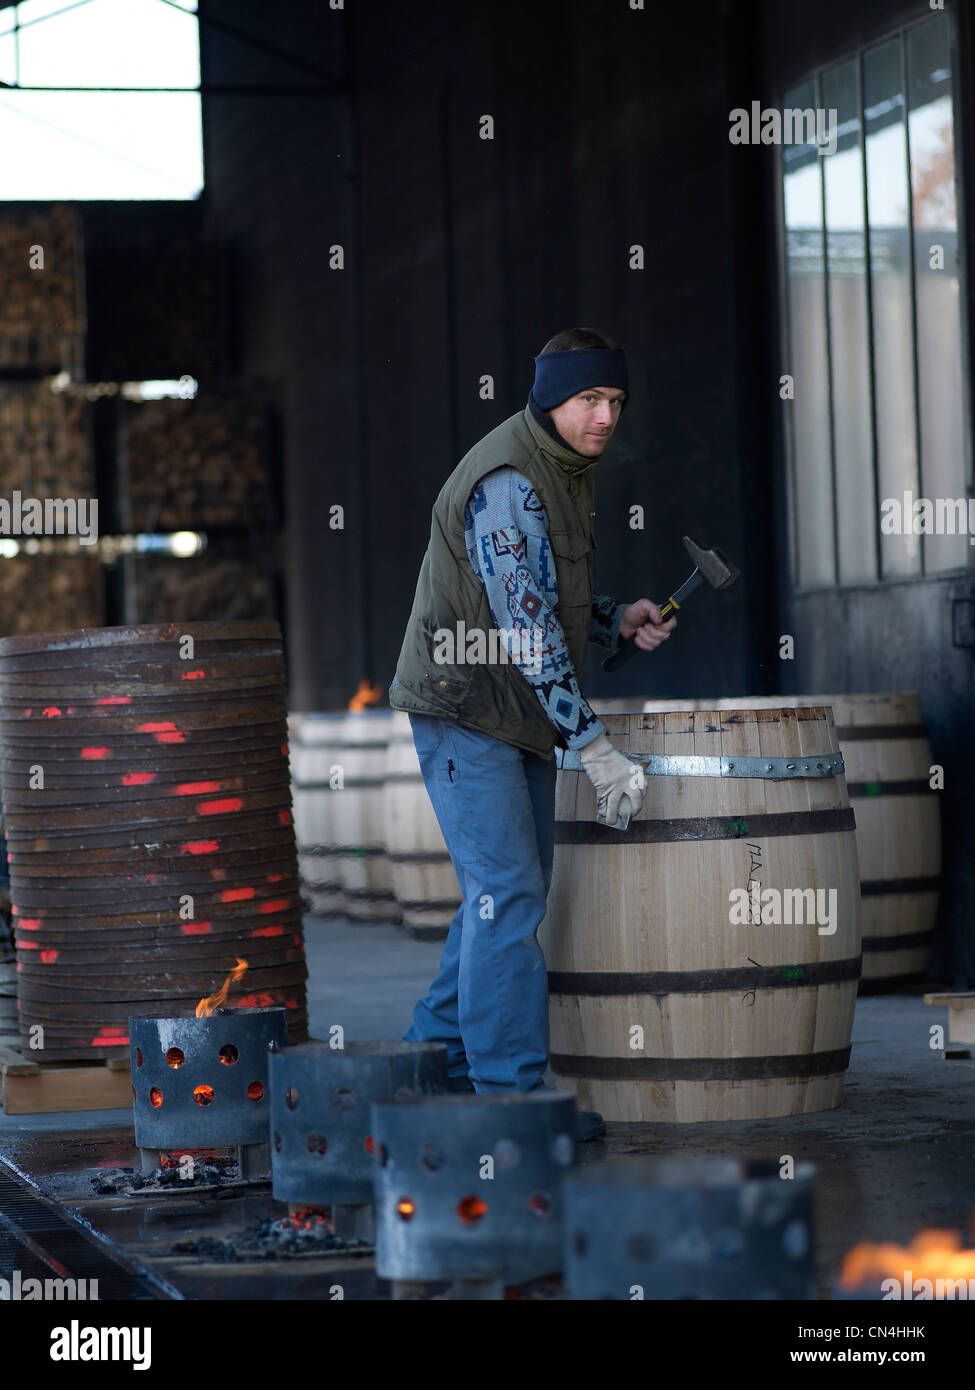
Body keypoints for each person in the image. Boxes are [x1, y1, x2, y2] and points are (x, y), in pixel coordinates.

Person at [388, 327, 677, 1138]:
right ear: (551, 397)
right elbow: (523, 628)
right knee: (507, 897)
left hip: (513, 712)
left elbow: (548, 593)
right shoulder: (511, 479)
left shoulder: (562, 467)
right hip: (465, 705)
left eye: (615, 400)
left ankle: (428, 1066)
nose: (606, 416)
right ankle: (511, 1104)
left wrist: (613, 616)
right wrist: (592, 745)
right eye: (590, 399)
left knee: (501, 900)